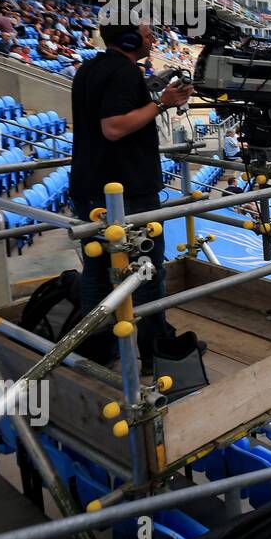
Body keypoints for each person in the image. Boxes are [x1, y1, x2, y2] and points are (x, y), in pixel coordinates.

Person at [71, 18, 193, 369]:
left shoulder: (89, 68)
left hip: (92, 188)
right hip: (125, 193)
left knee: (96, 273)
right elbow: (113, 127)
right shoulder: (123, 73)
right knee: (147, 271)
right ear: (127, 39)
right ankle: (158, 353)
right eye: (145, 33)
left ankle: (97, 351)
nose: (152, 37)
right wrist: (163, 103)